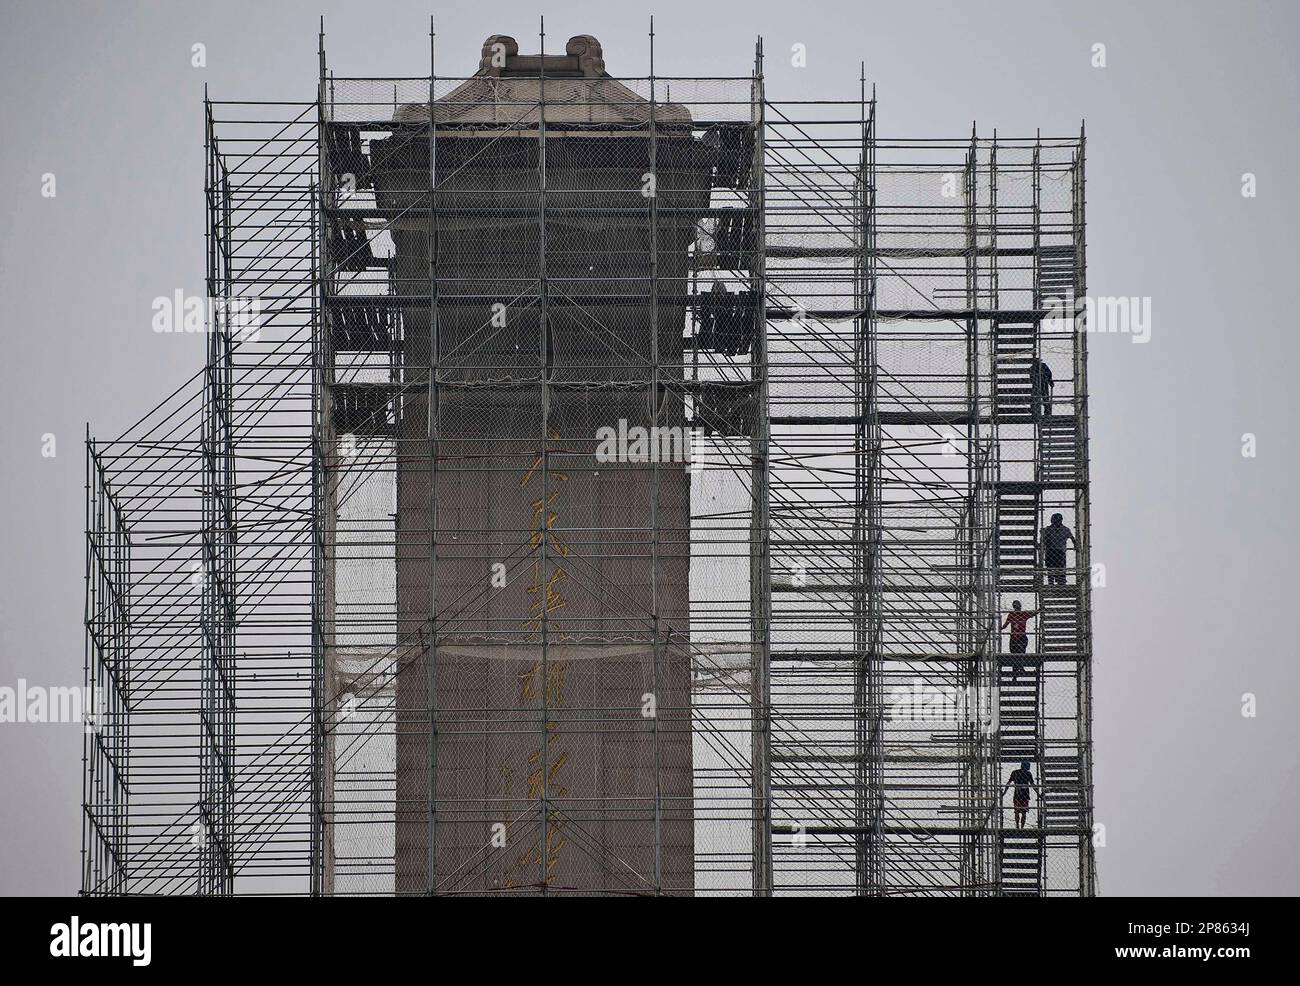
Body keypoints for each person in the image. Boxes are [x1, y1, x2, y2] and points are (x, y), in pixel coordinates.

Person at [1000, 600, 1037, 679]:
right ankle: (1018, 671)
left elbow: (1005, 625)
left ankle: (1016, 673)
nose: (1017, 608)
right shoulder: (1017, 614)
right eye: (1016, 607)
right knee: (1017, 655)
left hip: (1019, 637)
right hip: (1016, 638)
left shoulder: (1019, 614)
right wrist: (1039, 610)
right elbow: (1006, 624)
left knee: (1016, 655)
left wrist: (1039, 610)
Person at [1041, 513, 1076, 586]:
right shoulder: (1064, 529)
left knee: (1053, 568)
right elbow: (1073, 539)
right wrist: (1076, 546)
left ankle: (1055, 582)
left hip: (1053, 552)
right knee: (1058, 568)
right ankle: (1059, 582)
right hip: (1057, 552)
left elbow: (1043, 541)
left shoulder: (1049, 529)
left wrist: (1043, 536)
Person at [1003, 760, 1037, 829]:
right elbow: (1032, 784)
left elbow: (1008, 783)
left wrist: (1004, 792)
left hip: (1019, 795)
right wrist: (1038, 793)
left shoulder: (1016, 772)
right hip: (1023, 795)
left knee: (1017, 812)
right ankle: (1020, 827)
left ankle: (1018, 826)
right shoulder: (1027, 773)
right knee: (1022, 812)